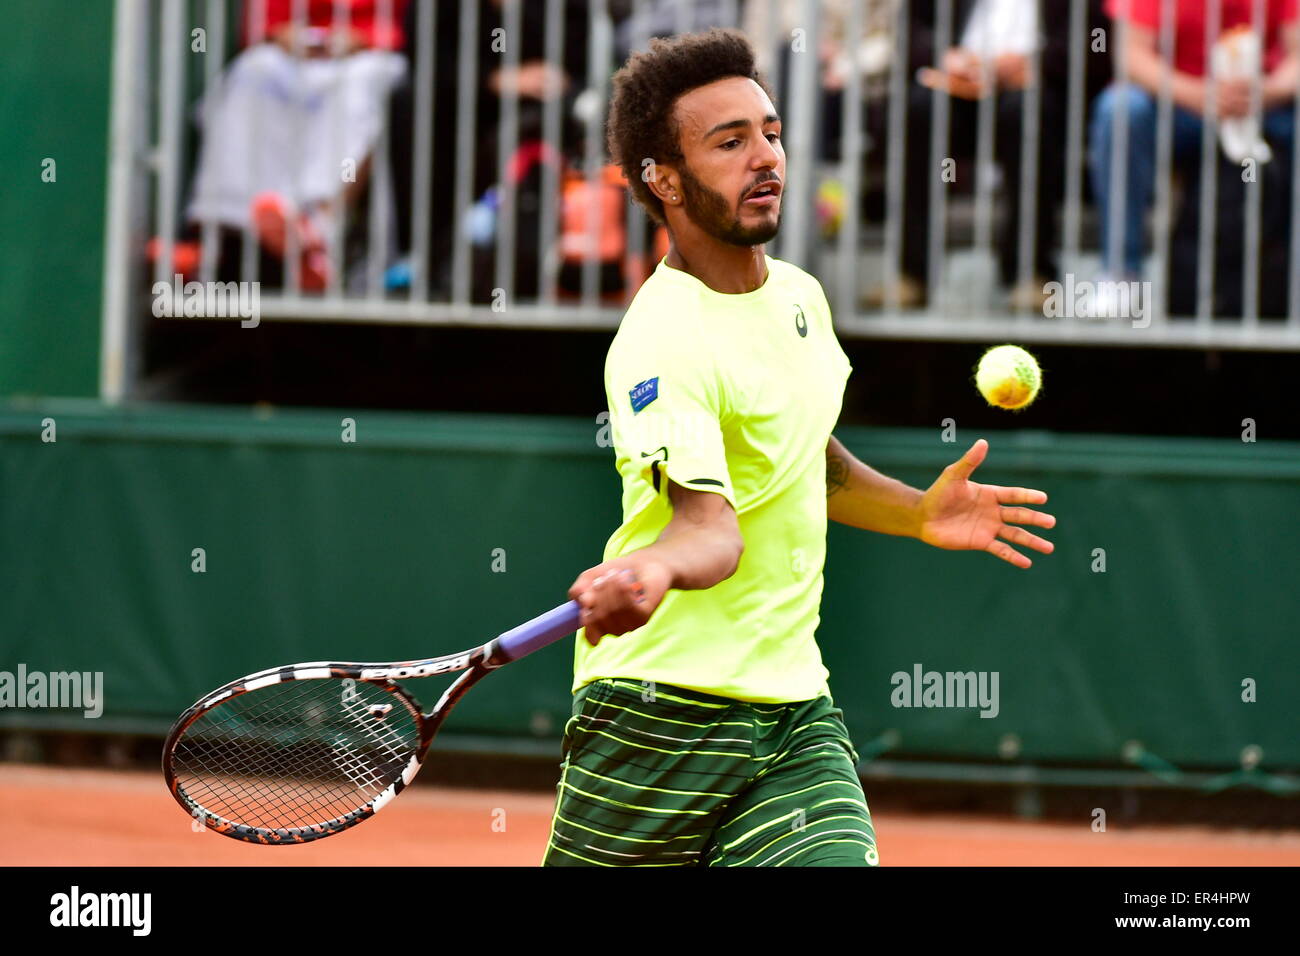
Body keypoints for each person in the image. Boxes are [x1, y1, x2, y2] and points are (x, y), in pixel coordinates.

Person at [544, 28, 1057, 867]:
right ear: (662, 179)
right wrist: (661, 567)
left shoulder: (800, 297)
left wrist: (918, 513)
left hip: (793, 715)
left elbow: (805, 457)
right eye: (729, 141)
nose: (765, 158)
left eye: (771, 132)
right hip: (654, 718)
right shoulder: (660, 342)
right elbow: (710, 526)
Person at [865, 0, 1112, 311]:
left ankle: (1031, 274)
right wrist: (946, 58)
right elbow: (913, 32)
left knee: (1027, 115)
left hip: (1036, 90)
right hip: (961, 89)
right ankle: (912, 274)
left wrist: (1035, 64)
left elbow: (1095, 43)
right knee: (920, 110)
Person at [1088, 0, 1300, 311]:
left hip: (1256, 105)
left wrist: (1266, 91)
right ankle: (1121, 272)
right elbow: (1130, 53)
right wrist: (1197, 94)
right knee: (1120, 110)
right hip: (1175, 103)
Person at [184, 0, 410, 290]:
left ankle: (317, 228)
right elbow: (261, 20)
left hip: (364, 59)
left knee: (360, 89)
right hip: (292, 58)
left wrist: (365, 39)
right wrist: (280, 34)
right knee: (253, 70)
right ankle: (219, 230)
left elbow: (408, 28)